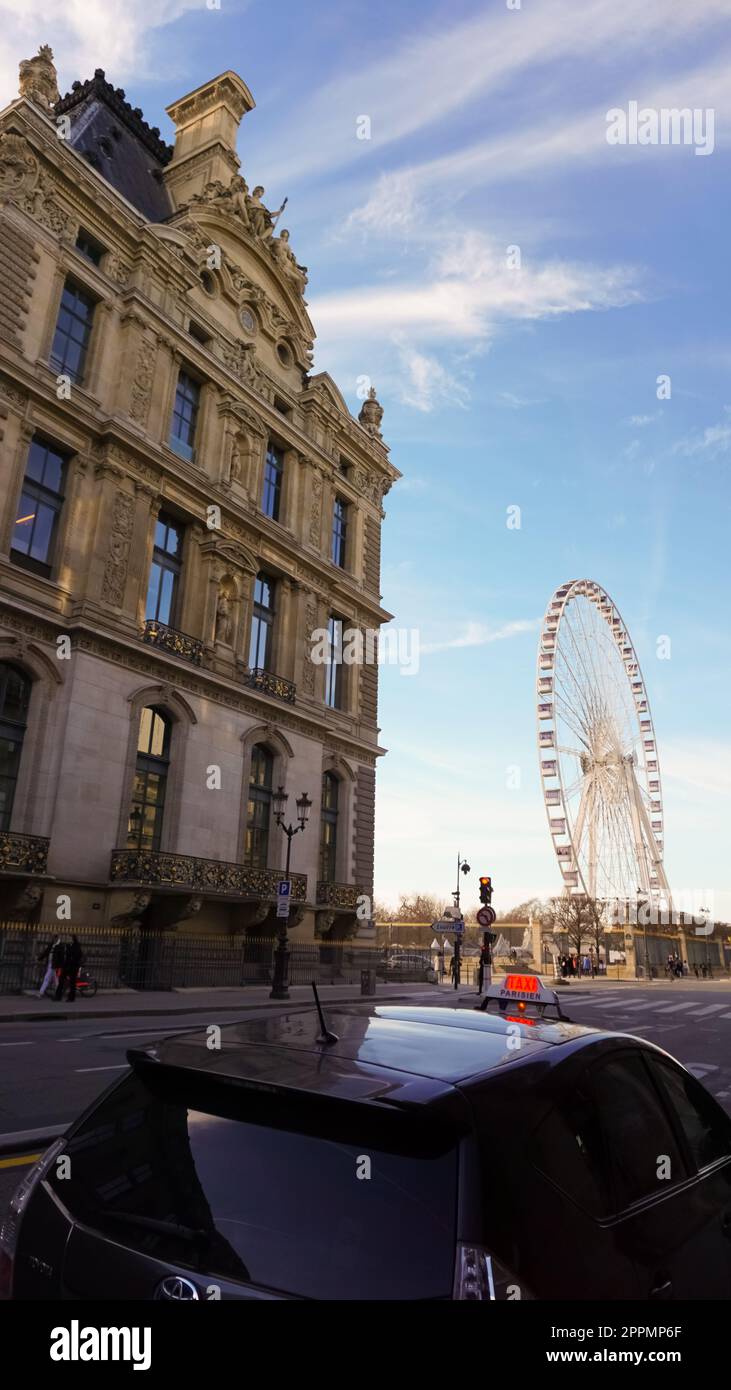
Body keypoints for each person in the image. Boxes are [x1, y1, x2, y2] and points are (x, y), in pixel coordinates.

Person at [56, 934, 84, 1002]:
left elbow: (78, 955)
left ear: (72, 939)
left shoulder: (76, 945)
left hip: (73, 967)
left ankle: (71, 998)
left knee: (72, 983)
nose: (68, 939)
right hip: (67, 966)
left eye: (69, 938)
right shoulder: (68, 945)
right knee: (61, 979)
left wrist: (72, 959)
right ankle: (58, 996)